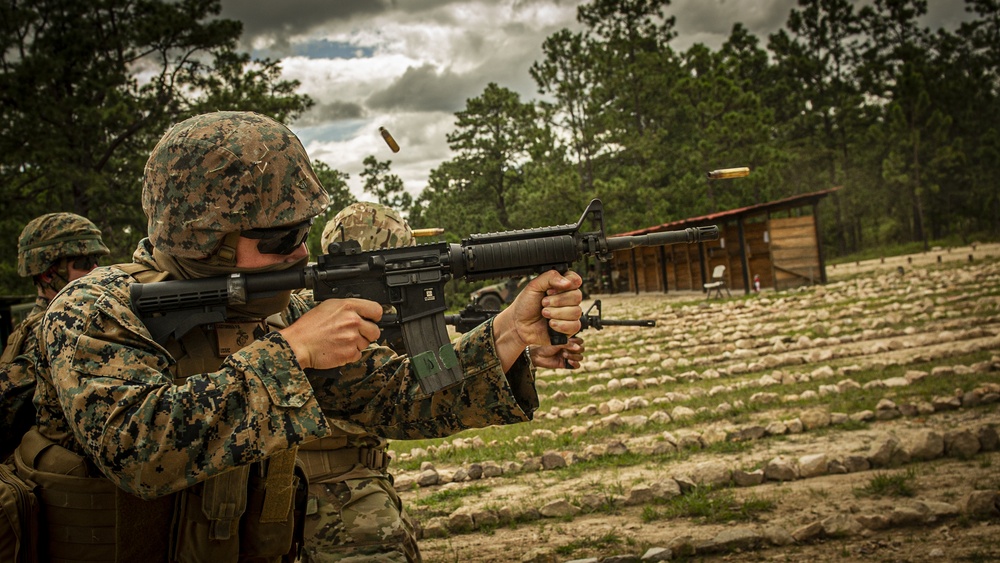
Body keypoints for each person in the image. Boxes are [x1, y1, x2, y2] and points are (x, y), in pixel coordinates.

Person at [17, 111, 583, 563]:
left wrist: (510, 331)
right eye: (279, 237)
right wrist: (293, 351)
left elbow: (399, 398)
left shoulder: (283, 305)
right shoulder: (94, 309)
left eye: (303, 232)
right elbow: (142, 450)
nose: (300, 252)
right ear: (204, 237)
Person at [301, 202, 585, 562]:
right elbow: (415, 390)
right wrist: (510, 334)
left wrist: (518, 347)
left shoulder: (340, 323)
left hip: (356, 481)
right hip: (337, 499)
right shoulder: (316, 328)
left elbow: (421, 367)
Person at [0, 212, 109, 460]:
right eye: (84, 262)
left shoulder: (34, 323)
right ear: (48, 274)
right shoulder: (52, 330)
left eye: (96, 259)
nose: (96, 269)